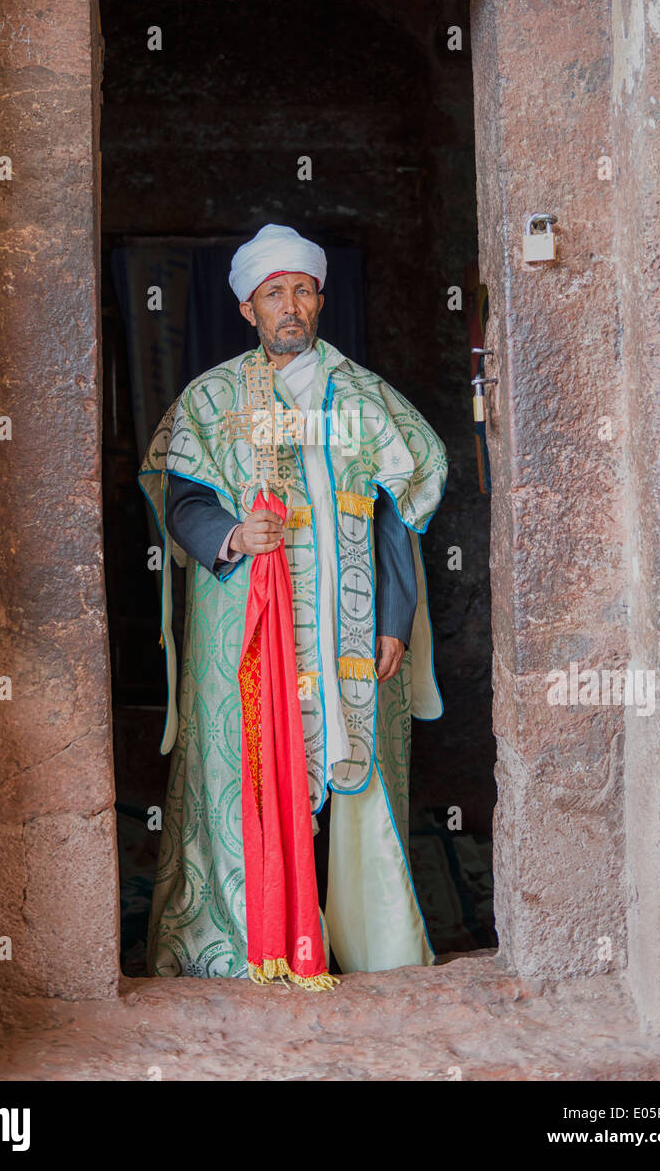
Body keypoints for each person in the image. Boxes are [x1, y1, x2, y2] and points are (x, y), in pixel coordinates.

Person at [138, 223, 448, 983]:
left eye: (301, 290)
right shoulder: (210, 399)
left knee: (354, 779)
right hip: (246, 627)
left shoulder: (368, 399)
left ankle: (366, 945)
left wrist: (394, 622)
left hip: (346, 634)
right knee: (249, 773)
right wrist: (236, 534)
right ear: (247, 309)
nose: (289, 306)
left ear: (319, 298)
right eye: (272, 293)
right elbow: (181, 504)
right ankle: (250, 939)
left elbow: (394, 518)